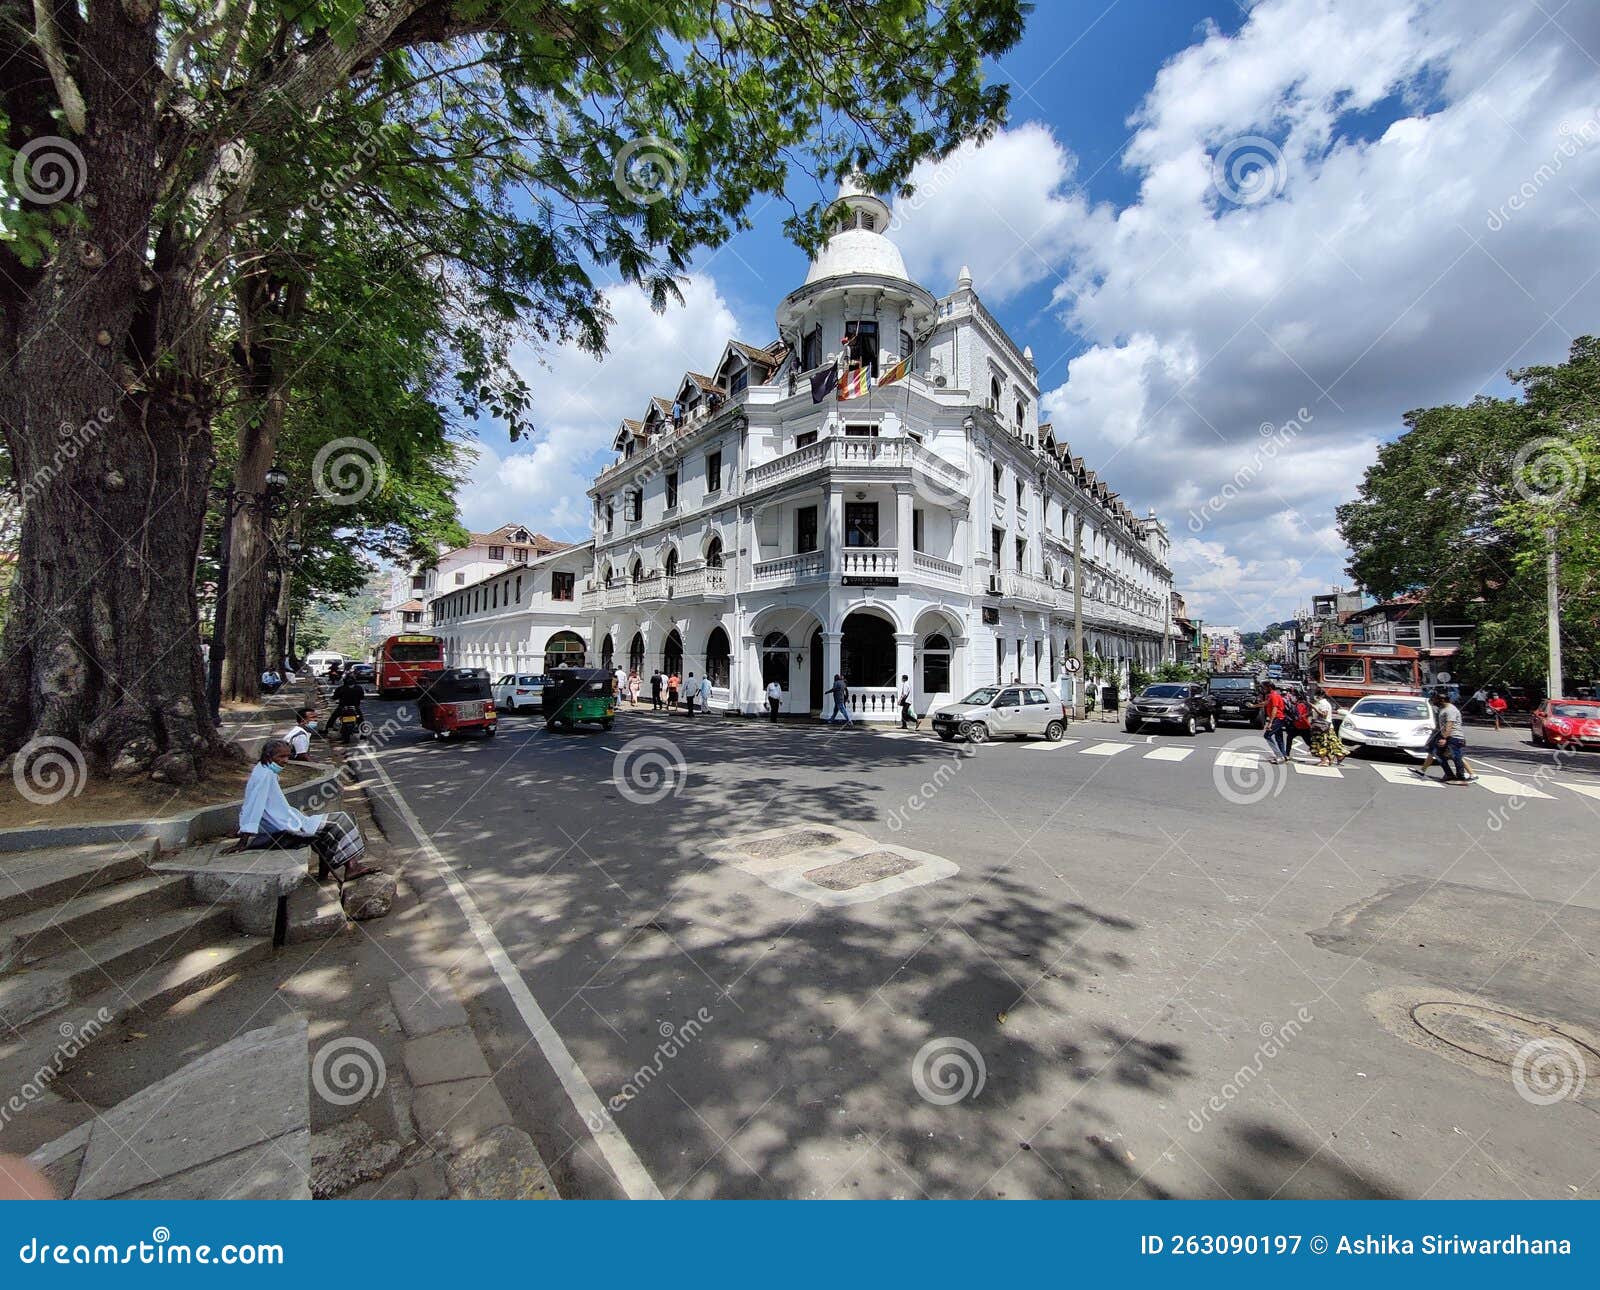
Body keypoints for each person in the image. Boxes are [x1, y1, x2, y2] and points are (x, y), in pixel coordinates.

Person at [232, 740, 375, 878]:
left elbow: (250, 804)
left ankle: (331, 871)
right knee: (342, 819)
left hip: (288, 820)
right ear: (269, 756)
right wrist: (244, 837)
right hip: (285, 827)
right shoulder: (264, 775)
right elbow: (253, 806)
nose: (286, 760)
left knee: (331, 827)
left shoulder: (263, 770)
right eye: (281, 756)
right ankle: (352, 867)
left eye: (287, 756)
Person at [1429, 690, 1472, 784]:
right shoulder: (1443, 708)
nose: (1434, 701)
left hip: (1454, 737)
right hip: (1448, 736)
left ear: (1442, 700)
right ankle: (1449, 775)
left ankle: (1461, 778)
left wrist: (1444, 738)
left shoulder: (1450, 710)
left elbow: (1449, 725)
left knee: (1456, 757)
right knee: (1438, 753)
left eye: (1436, 699)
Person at [1309, 687, 1347, 767]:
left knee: (1322, 744)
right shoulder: (1319, 703)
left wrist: (1314, 708)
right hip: (1325, 726)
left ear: (1319, 695)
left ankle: (1325, 760)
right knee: (1331, 743)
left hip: (1323, 727)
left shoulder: (1323, 704)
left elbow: (1324, 715)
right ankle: (1337, 756)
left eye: (1316, 695)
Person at [1260, 682, 1288, 763]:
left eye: (1264, 687)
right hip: (1279, 718)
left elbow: (1275, 709)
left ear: (1269, 687)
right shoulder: (1271, 695)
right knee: (1279, 738)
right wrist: (1253, 706)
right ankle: (1284, 755)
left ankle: (1279, 756)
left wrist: (1270, 722)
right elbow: (1265, 703)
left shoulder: (1274, 695)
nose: (1263, 689)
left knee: (1267, 736)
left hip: (1277, 718)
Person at [1284, 688, 1315, 760]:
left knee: (1309, 742)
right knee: (1289, 738)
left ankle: (1324, 755)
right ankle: (1287, 754)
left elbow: (1299, 716)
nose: (1292, 696)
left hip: (1303, 726)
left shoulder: (1301, 704)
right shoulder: (1299, 704)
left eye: (1294, 695)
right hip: (1298, 725)